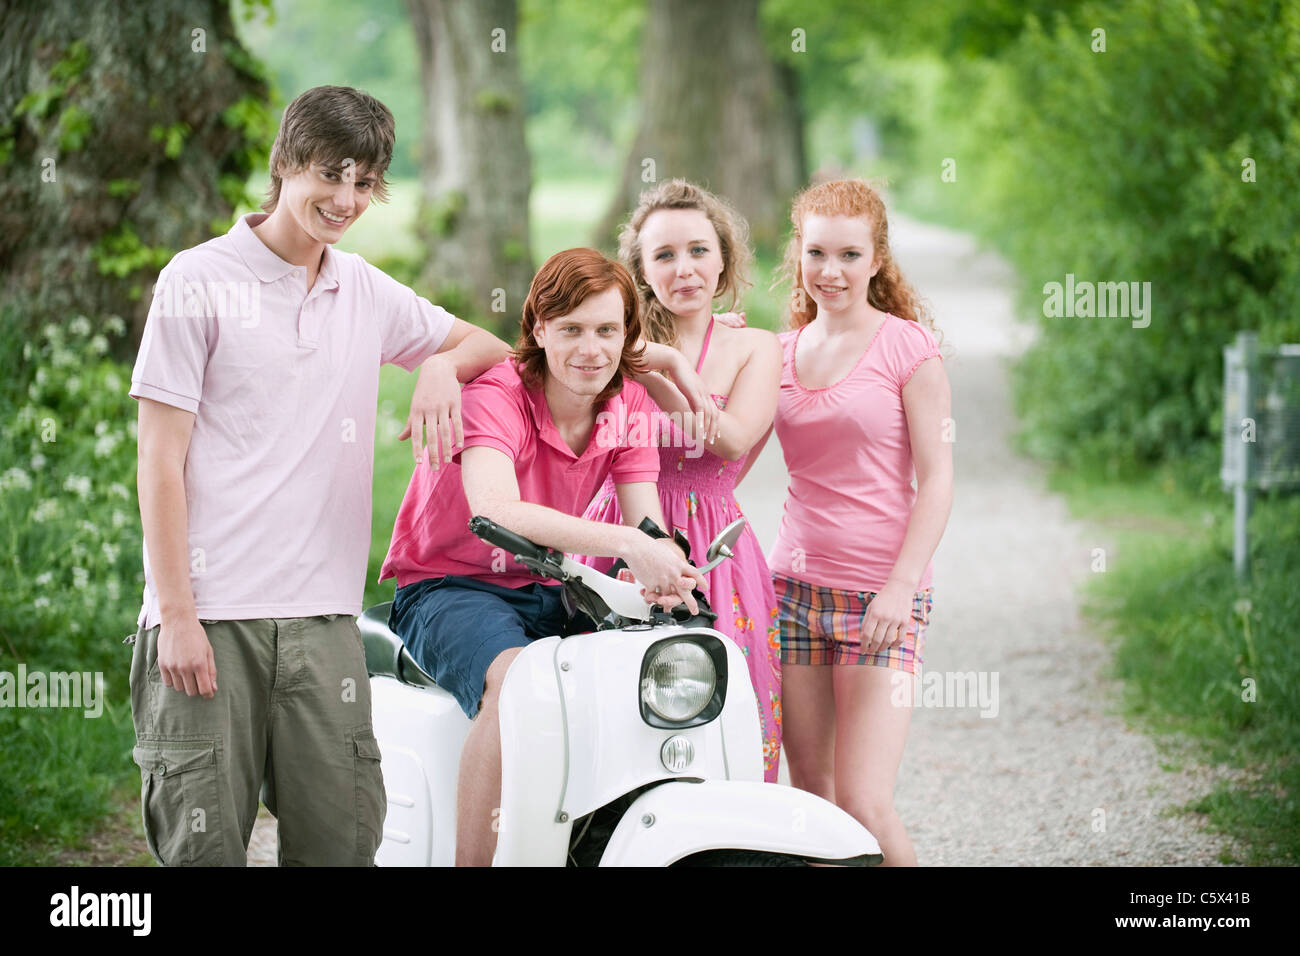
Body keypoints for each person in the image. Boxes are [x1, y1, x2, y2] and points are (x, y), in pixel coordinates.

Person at [127, 85, 510, 866]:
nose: (346, 199)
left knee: (342, 844)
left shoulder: (363, 290)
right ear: (284, 164)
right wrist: (176, 613)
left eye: (365, 182)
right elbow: (159, 459)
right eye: (331, 175)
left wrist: (439, 364)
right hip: (213, 614)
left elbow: (491, 347)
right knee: (204, 852)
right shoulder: (197, 280)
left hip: (323, 624)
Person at [380, 247, 707, 867]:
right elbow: (495, 508)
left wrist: (663, 564)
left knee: (643, 672)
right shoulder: (497, 394)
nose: (591, 349)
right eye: (572, 330)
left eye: (607, 331)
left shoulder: (629, 404)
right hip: (450, 585)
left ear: (626, 335)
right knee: (517, 681)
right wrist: (630, 545)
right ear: (537, 329)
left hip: (550, 582)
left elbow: (645, 518)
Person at [758, 178, 953, 866]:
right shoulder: (777, 354)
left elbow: (937, 481)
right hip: (796, 595)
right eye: (817, 253)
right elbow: (723, 448)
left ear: (876, 260)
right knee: (812, 797)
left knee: (863, 801)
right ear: (799, 256)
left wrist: (902, 586)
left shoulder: (908, 348)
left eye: (848, 255)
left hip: (883, 600)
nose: (831, 272)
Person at [578, 180, 785, 781]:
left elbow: (732, 438)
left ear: (723, 258)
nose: (684, 268)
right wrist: (650, 357)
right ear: (642, 270)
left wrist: (658, 371)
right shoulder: (616, 340)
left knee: (728, 707)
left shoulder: (755, 347)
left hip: (717, 540)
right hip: (622, 527)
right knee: (616, 710)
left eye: (698, 250)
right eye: (664, 256)